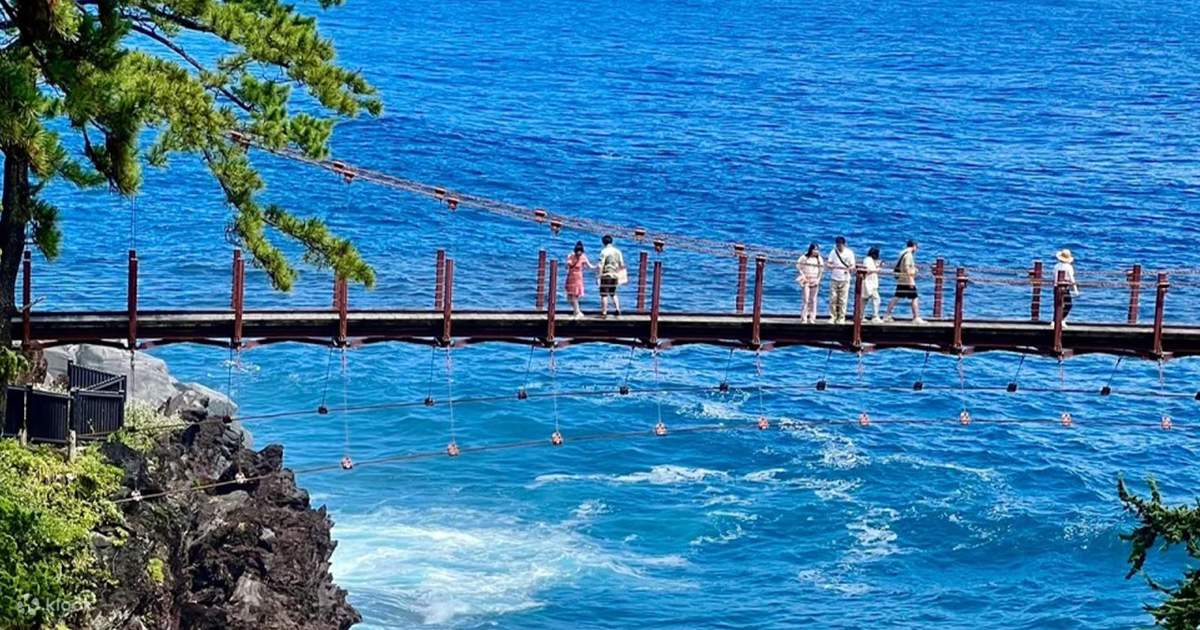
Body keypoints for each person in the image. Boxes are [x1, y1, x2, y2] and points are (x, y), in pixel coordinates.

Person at [884, 240, 925, 324]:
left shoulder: (902, 253)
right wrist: (911, 280)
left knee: (896, 297)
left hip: (901, 280)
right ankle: (916, 317)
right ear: (914, 246)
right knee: (915, 298)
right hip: (908, 280)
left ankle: (887, 315)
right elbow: (907, 268)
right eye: (916, 247)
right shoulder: (909, 255)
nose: (916, 249)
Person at [826, 236, 855, 324]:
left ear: (844, 244)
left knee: (843, 299)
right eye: (837, 245)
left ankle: (841, 317)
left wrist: (849, 269)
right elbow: (829, 263)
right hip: (834, 278)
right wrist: (831, 266)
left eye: (840, 245)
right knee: (833, 298)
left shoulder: (849, 253)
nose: (839, 247)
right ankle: (832, 316)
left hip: (845, 279)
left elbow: (852, 265)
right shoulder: (833, 252)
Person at [597, 234, 626, 318]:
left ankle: (604, 312)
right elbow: (622, 264)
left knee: (604, 294)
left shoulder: (603, 251)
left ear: (603, 243)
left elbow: (601, 265)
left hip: (606, 274)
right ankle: (617, 309)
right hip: (615, 275)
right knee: (613, 293)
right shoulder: (618, 251)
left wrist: (599, 276)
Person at [795, 242, 823, 323]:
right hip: (806, 280)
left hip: (815, 280)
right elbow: (798, 265)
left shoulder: (819, 259)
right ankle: (804, 317)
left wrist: (818, 279)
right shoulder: (804, 257)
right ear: (811, 249)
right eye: (814, 249)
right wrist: (802, 275)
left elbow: (821, 270)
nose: (816, 251)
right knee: (806, 299)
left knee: (813, 300)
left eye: (817, 250)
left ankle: (812, 318)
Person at [565, 241, 594, 318]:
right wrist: (568, 261)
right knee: (569, 296)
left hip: (578, 278)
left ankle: (577, 312)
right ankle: (577, 311)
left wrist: (597, 267)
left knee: (574, 296)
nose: (579, 253)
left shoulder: (583, 257)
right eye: (578, 251)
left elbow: (590, 266)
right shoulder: (571, 256)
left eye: (580, 252)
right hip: (570, 277)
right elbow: (566, 266)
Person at [1052, 248, 1080, 326]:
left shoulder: (1056, 266)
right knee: (1068, 305)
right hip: (1064, 287)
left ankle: (1055, 321)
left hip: (1056, 286)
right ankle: (1061, 320)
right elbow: (1071, 278)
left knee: (1057, 305)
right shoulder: (1069, 267)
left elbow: (1054, 277)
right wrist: (1075, 289)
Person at [863, 246, 883, 322]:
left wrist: (878, 265)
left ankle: (861, 315)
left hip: (870, 283)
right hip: (869, 283)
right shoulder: (868, 260)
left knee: (865, 300)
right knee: (876, 299)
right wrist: (877, 270)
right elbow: (868, 270)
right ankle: (875, 316)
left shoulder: (870, 260)